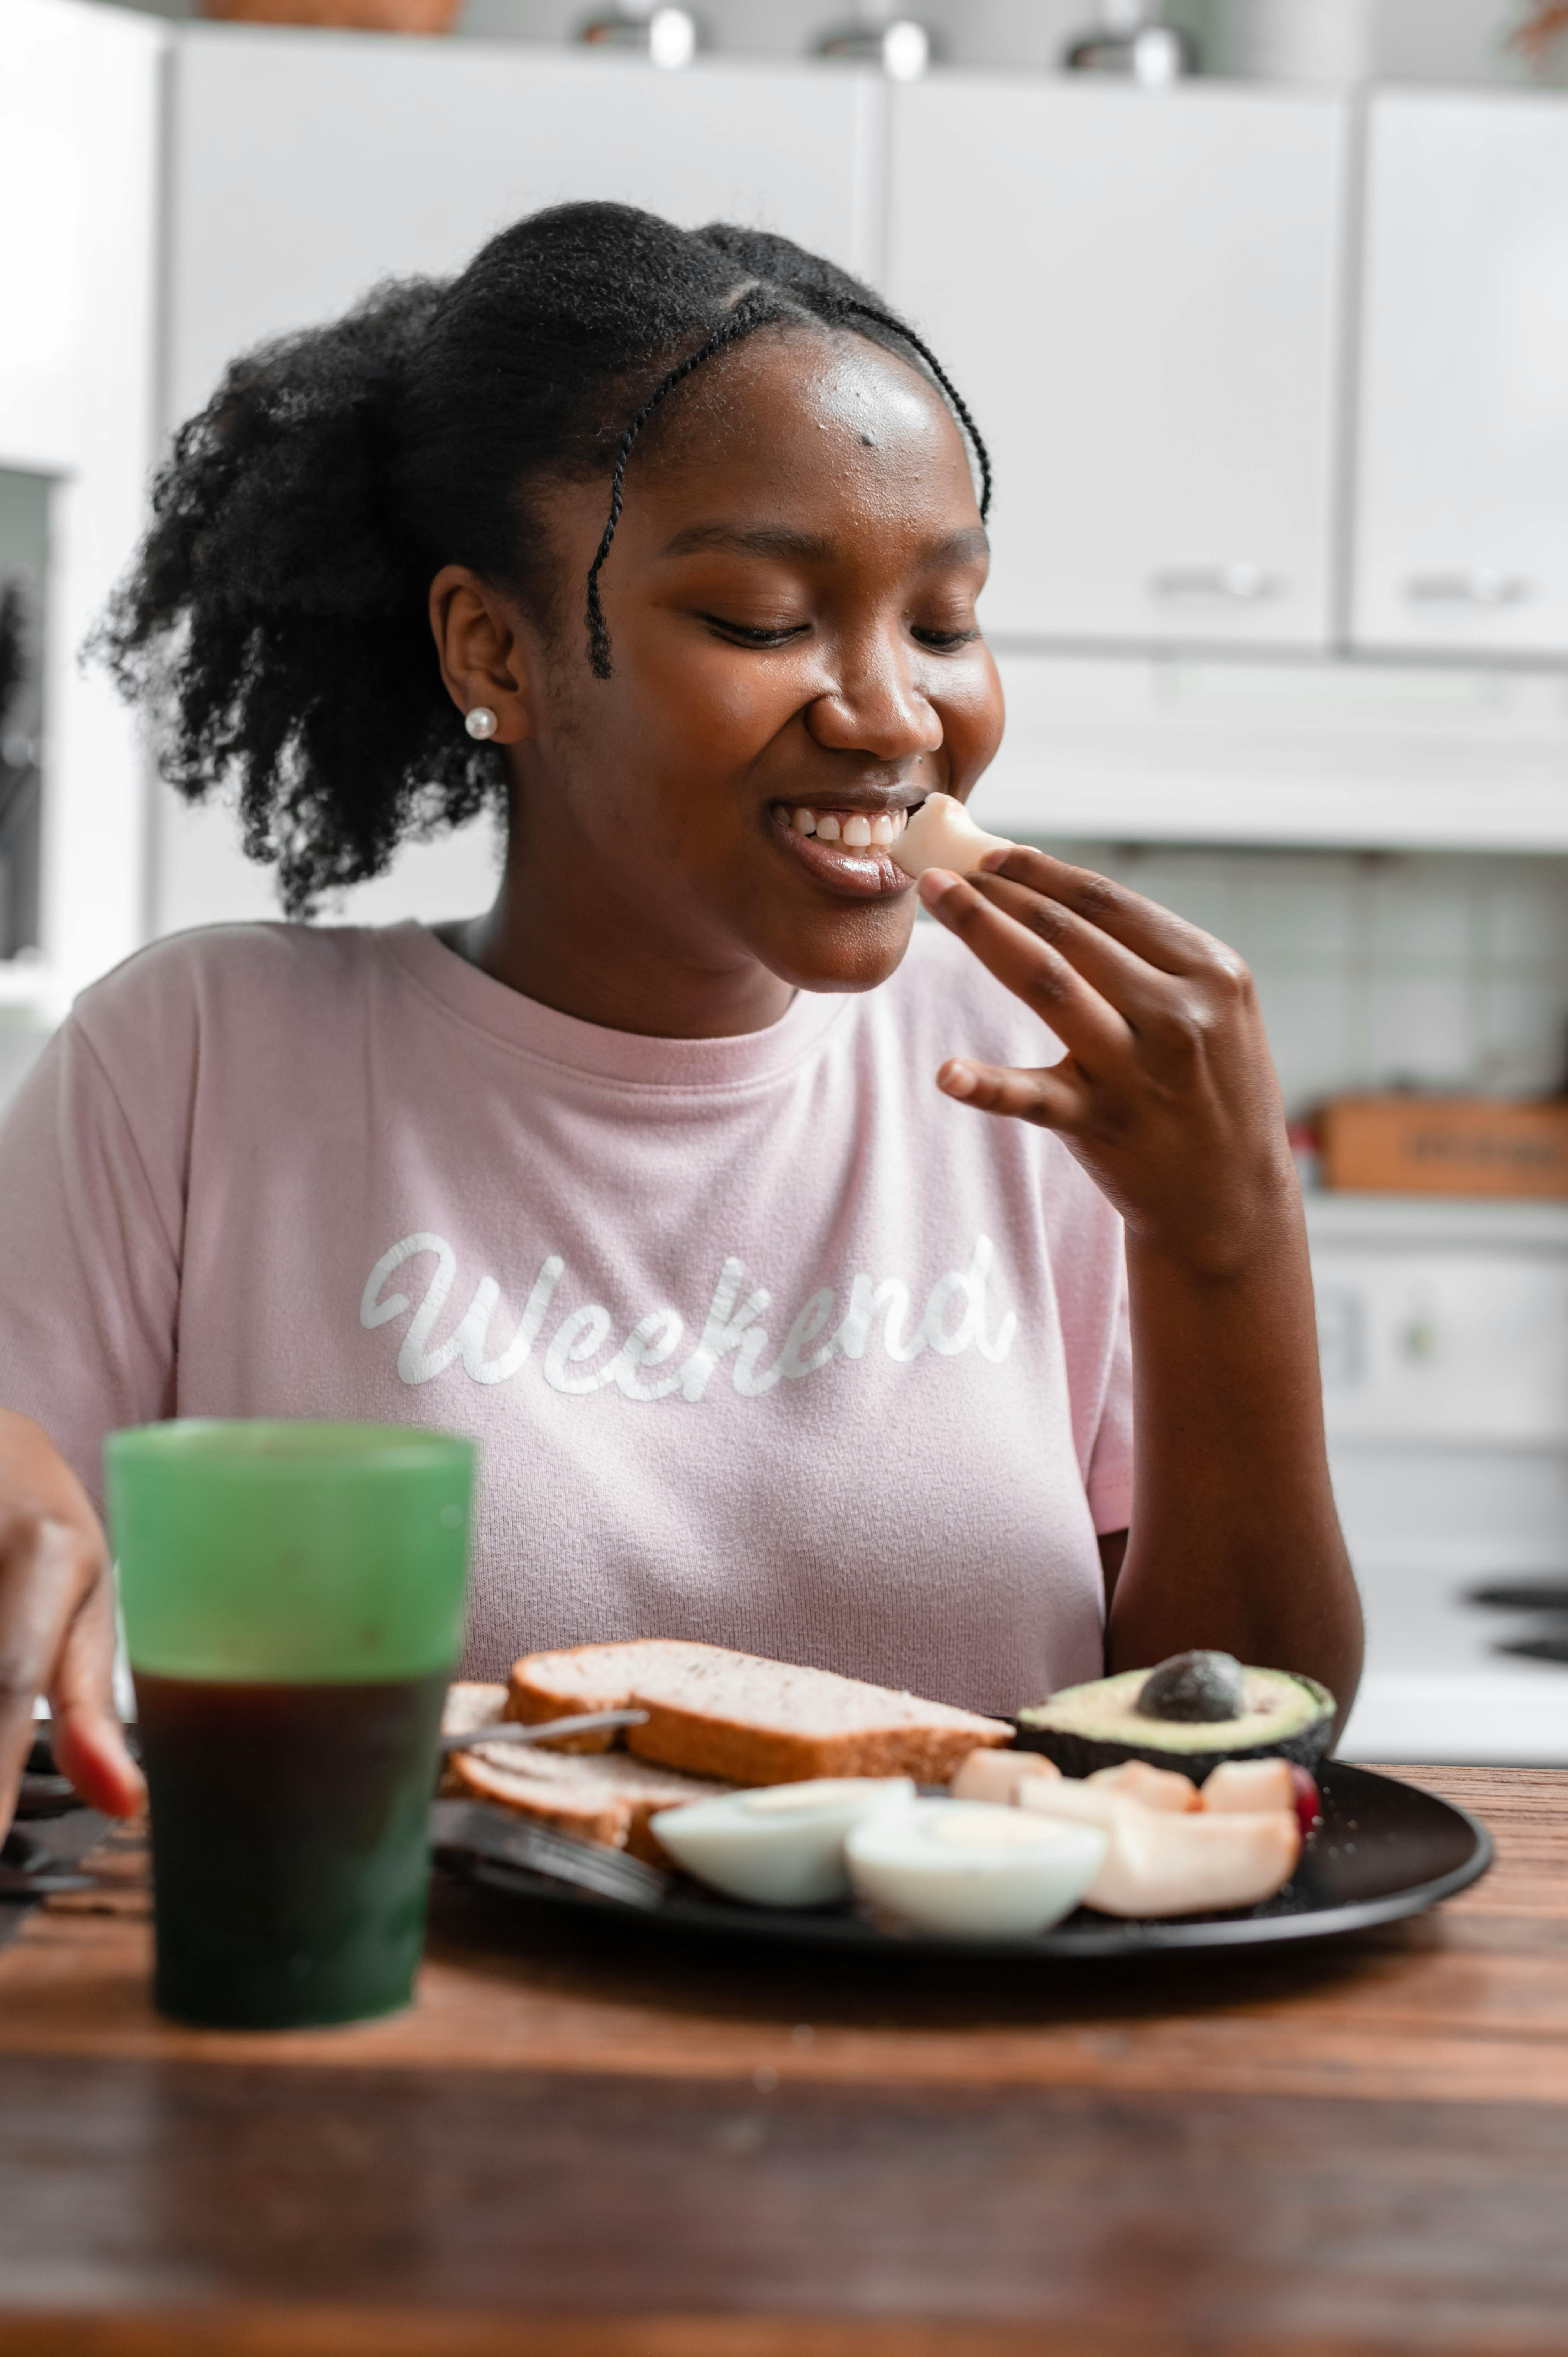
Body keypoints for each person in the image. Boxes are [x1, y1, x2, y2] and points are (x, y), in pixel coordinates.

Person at [0, 203, 1361, 1834]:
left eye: (942, 621)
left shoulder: (1049, 1081)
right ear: (492, 646)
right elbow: (24, 1518)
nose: (890, 711)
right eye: (763, 621)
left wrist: (1231, 1239)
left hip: (977, 2066)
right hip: (404, 2063)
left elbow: (1244, 1752)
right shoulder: (198, 1062)